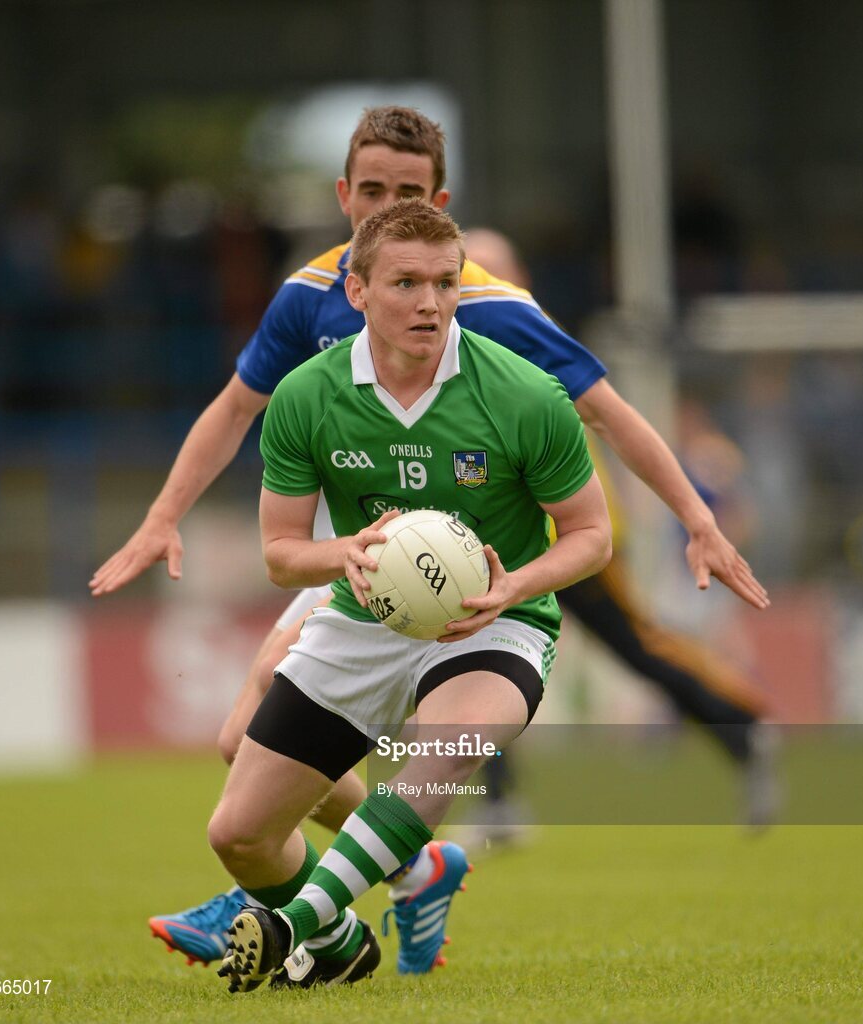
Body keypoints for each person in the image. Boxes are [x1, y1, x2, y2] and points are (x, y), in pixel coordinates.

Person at [90, 107, 768, 974]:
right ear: (344, 196)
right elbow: (233, 417)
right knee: (240, 750)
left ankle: (301, 914)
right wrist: (162, 516)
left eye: (407, 193)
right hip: (370, 558)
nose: (387, 209)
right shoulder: (308, 303)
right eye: (372, 191)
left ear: (439, 203)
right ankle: (409, 869)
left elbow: (606, 412)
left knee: (468, 730)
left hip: (490, 563)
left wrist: (696, 518)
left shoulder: (490, 311)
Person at [211, 197, 612, 991]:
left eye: (444, 283)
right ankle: (339, 945)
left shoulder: (525, 394)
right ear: (356, 291)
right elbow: (281, 555)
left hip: (493, 623)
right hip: (362, 616)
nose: (430, 302)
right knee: (240, 836)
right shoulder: (305, 396)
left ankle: (295, 922)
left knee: (446, 749)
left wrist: (515, 584)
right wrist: (343, 554)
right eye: (405, 284)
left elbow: (591, 534)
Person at [458, 229, 776, 845]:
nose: (475, 285)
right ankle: (498, 805)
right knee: (472, 657)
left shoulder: (529, 337)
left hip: (571, 539)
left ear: (519, 280)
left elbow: (605, 421)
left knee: (636, 647)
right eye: (468, 272)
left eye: (490, 271)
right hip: (496, 543)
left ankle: (743, 726)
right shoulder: (442, 348)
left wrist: (695, 519)